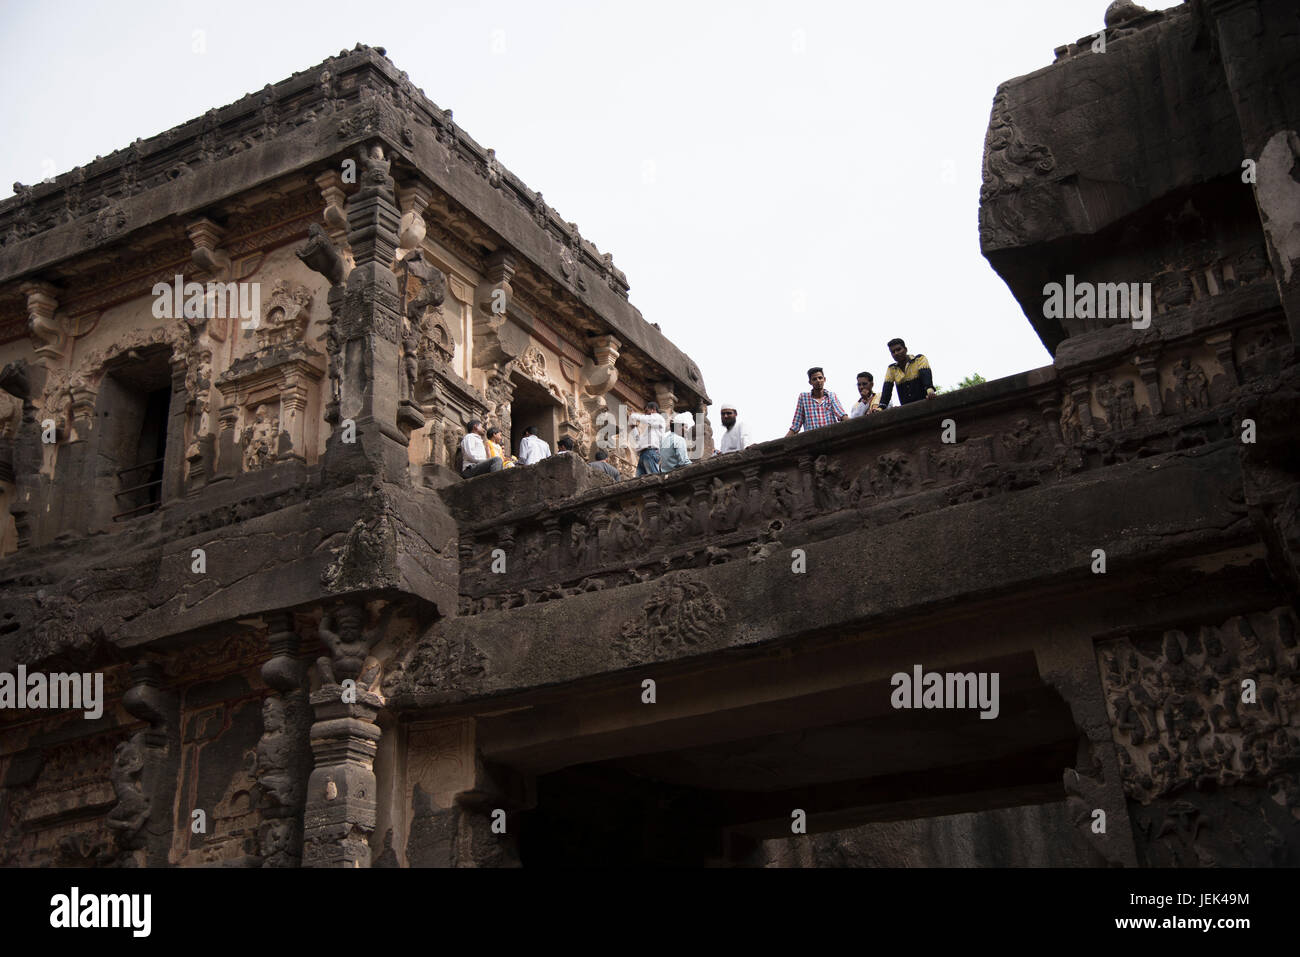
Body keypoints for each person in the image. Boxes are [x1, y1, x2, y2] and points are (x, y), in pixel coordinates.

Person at [785, 367, 848, 436]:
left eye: (820, 378)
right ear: (810, 382)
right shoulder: (803, 398)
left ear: (824, 379)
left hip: (831, 438)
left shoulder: (831, 396)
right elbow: (796, 425)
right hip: (813, 441)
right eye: (814, 379)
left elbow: (841, 415)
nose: (818, 381)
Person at [879, 339, 935, 407]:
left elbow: (926, 374)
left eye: (898, 349)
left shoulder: (919, 359)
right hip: (907, 409)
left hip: (925, 403)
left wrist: (930, 390)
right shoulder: (891, 369)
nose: (896, 353)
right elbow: (887, 389)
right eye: (893, 352)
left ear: (905, 349)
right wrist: (881, 406)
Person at [628, 401, 666, 476]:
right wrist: (634, 428)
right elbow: (638, 441)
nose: (645, 414)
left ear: (653, 409)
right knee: (639, 482)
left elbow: (646, 419)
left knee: (653, 478)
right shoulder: (649, 430)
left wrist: (633, 415)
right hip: (644, 454)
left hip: (651, 452)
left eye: (646, 411)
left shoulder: (659, 418)